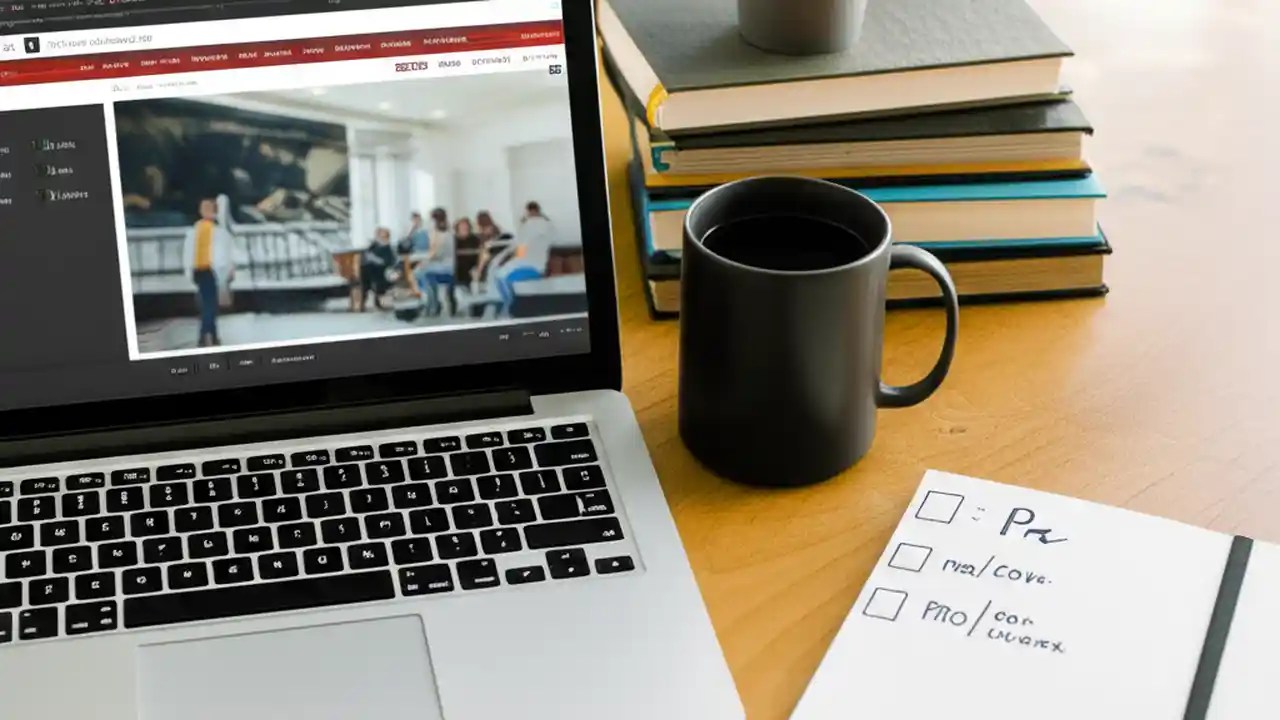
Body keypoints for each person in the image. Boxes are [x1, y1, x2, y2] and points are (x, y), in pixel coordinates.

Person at [478, 201, 558, 317]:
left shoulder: (531, 225)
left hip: (532, 267)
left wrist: (504, 254)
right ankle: (505, 307)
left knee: (501, 277)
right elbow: (520, 248)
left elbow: (520, 249)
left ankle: (508, 307)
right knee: (500, 274)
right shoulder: (545, 225)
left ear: (529, 212)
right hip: (534, 265)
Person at [182, 198, 236, 347]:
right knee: (209, 305)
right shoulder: (199, 231)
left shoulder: (210, 231)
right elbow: (189, 252)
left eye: (209, 208)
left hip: (206, 270)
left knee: (208, 304)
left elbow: (224, 253)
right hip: (203, 270)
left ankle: (208, 335)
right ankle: (208, 335)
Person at [415, 216, 463, 318]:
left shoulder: (443, 236)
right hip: (444, 265)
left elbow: (437, 254)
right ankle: (432, 301)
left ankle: (431, 302)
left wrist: (426, 260)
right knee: (425, 274)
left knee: (419, 272)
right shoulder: (447, 235)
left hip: (447, 267)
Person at [359, 227, 398, 311]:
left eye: (382, 236)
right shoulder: (374, 245)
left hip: (383, 270)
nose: (380, 238)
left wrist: (374, 259)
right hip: (371, 269)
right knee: (364, 270)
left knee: (374, 275)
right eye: (379, 236)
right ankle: (362, 302)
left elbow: (388, 261)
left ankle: (376, 300)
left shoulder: (387, 247)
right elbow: (366, 253)